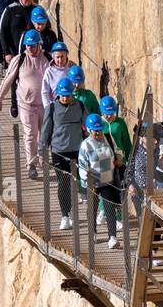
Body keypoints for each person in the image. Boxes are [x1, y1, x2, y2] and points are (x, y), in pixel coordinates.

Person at [0, 28, 49, 180]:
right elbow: (8, 79)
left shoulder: (47, 59)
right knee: (30, 134)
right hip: (26, 104)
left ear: (39, 44)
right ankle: (31, 164)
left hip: (44, 104)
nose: (29, 48)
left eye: (32, 45)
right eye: (27, 45)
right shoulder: (20, 59)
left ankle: (43, 160)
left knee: (44, 135)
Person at [39, 79, 85, 230]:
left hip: (78, 150)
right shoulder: (51, 108)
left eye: (68, 95)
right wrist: (41, 152)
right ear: (58, 94)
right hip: (59, 151)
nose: (66, 98)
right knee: (63, 183)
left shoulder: (80, 106)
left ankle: (97, 213)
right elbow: (45, 131)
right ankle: (65, 215)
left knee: (84, 180)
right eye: (63, 95)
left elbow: (89, 125)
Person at [78, 113, 120, 247]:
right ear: (89, 130)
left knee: (109, 208)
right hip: (93, 182)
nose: (98, 133)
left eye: (100, 130)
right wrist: (89, 183)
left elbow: (116, 151)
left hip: (107, 179)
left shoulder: (107, 138)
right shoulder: (85, 145)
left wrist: (119, 159)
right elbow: (83, 166)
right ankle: (93, 232)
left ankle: (112, 237)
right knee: (92, 208)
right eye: (95, 131)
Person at [98, 96, 131, 230]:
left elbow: (127, 143)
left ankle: (118, 217)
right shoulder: (99, 123)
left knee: (119, 188)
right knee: (105, 186)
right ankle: (103, 210)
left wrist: (129, 160)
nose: (109, 115)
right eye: (106, 112)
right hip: (104, 160)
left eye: (111, 113)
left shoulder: (120, 123)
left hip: (120, 160)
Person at [0, 0, 36, 66]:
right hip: (14, 54)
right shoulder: (10, 10)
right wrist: (6, 52)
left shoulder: (36, 10)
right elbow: (2, 31)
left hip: (33, 54)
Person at [39, 41, 76, 110]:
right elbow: (44, 92)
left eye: (62, 57)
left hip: (72, 104)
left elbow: (78, 84)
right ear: (53, 57)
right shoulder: (49, 71)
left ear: (66, 56)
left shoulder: (71, 68)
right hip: (55, 106)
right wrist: (48, 108)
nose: (60, 60)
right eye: (57, 57)